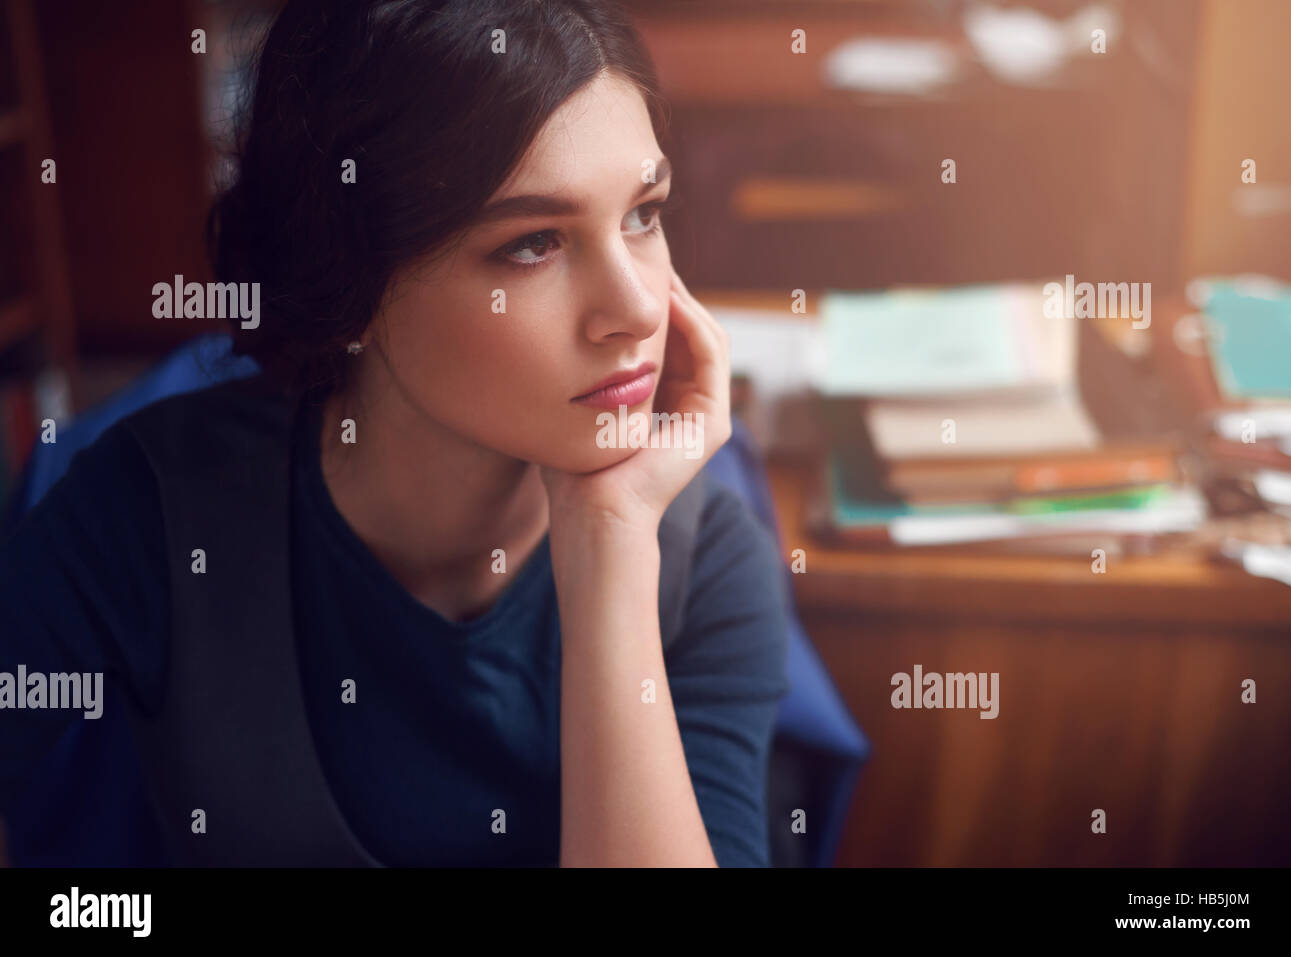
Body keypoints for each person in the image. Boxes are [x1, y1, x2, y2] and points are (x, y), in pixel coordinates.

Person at [0, 0, 789, 867]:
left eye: (643, 213)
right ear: (349, 282)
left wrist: (607, 545)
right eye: (534, 243)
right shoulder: (136, 522)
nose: (638, 307)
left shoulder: (709, 561)